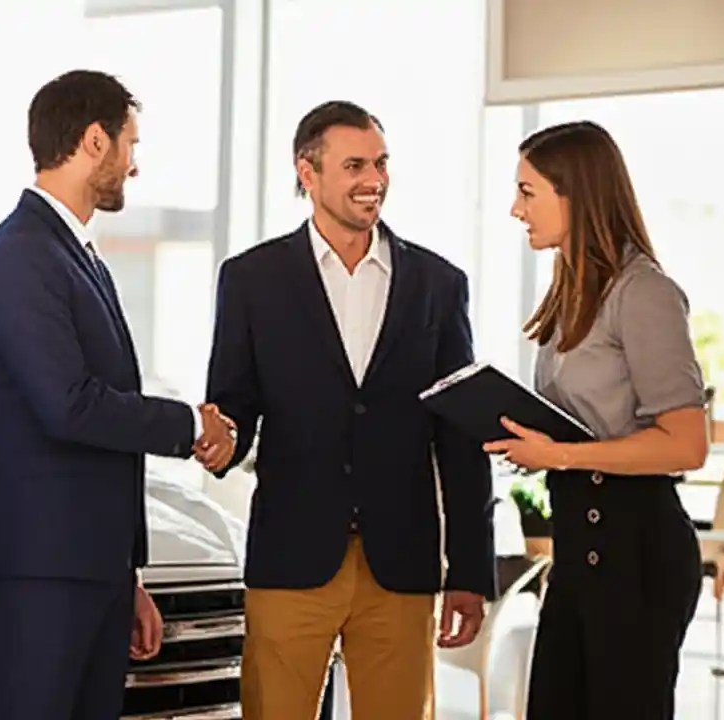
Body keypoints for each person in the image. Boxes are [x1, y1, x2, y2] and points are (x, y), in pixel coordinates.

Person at [203, 99, 496, 720]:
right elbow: (235, 404)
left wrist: (471, 571)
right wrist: (221, 440)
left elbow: (461, 438)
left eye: (381, 163)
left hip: (402, 563)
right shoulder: (251, 279)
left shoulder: (439, 285)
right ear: (307, 173)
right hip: (292, 555)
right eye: (355, 165)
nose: (374, 180)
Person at [0, 69, 236, 720]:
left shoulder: (74, 253)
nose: (133, 166)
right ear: (94, 141)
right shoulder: (23, 254)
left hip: (88, 566)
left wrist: (125, 575)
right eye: (129, 145)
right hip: (43, 565)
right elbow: (70, 404)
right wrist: (189, 425)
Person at [485, 120, 707, 720]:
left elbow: (686, 445)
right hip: (579, 549)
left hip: (636, 553)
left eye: (527, 192)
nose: (515, 209)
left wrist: (557, 455)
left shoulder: (644, 293)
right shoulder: (571, 295)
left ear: (576, 194)